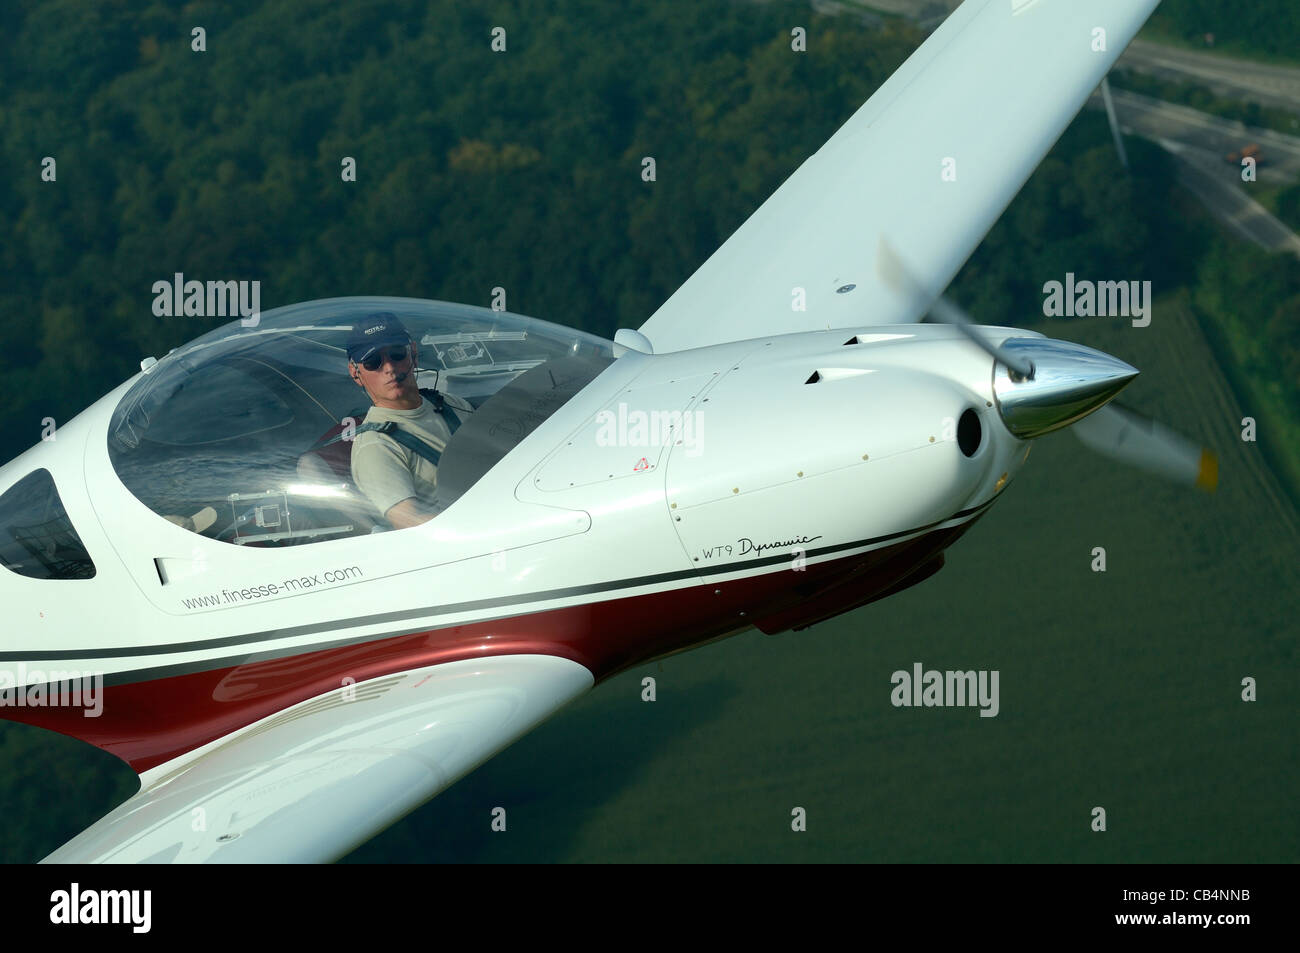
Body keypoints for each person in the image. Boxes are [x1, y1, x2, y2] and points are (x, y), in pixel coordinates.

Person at [345, 313, 453, 529]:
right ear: (355, 373)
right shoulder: (375, 446)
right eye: (373, 362)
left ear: (413, 353)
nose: (389, 368)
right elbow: (412, 527)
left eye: (396, 354)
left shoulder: (451, 405)